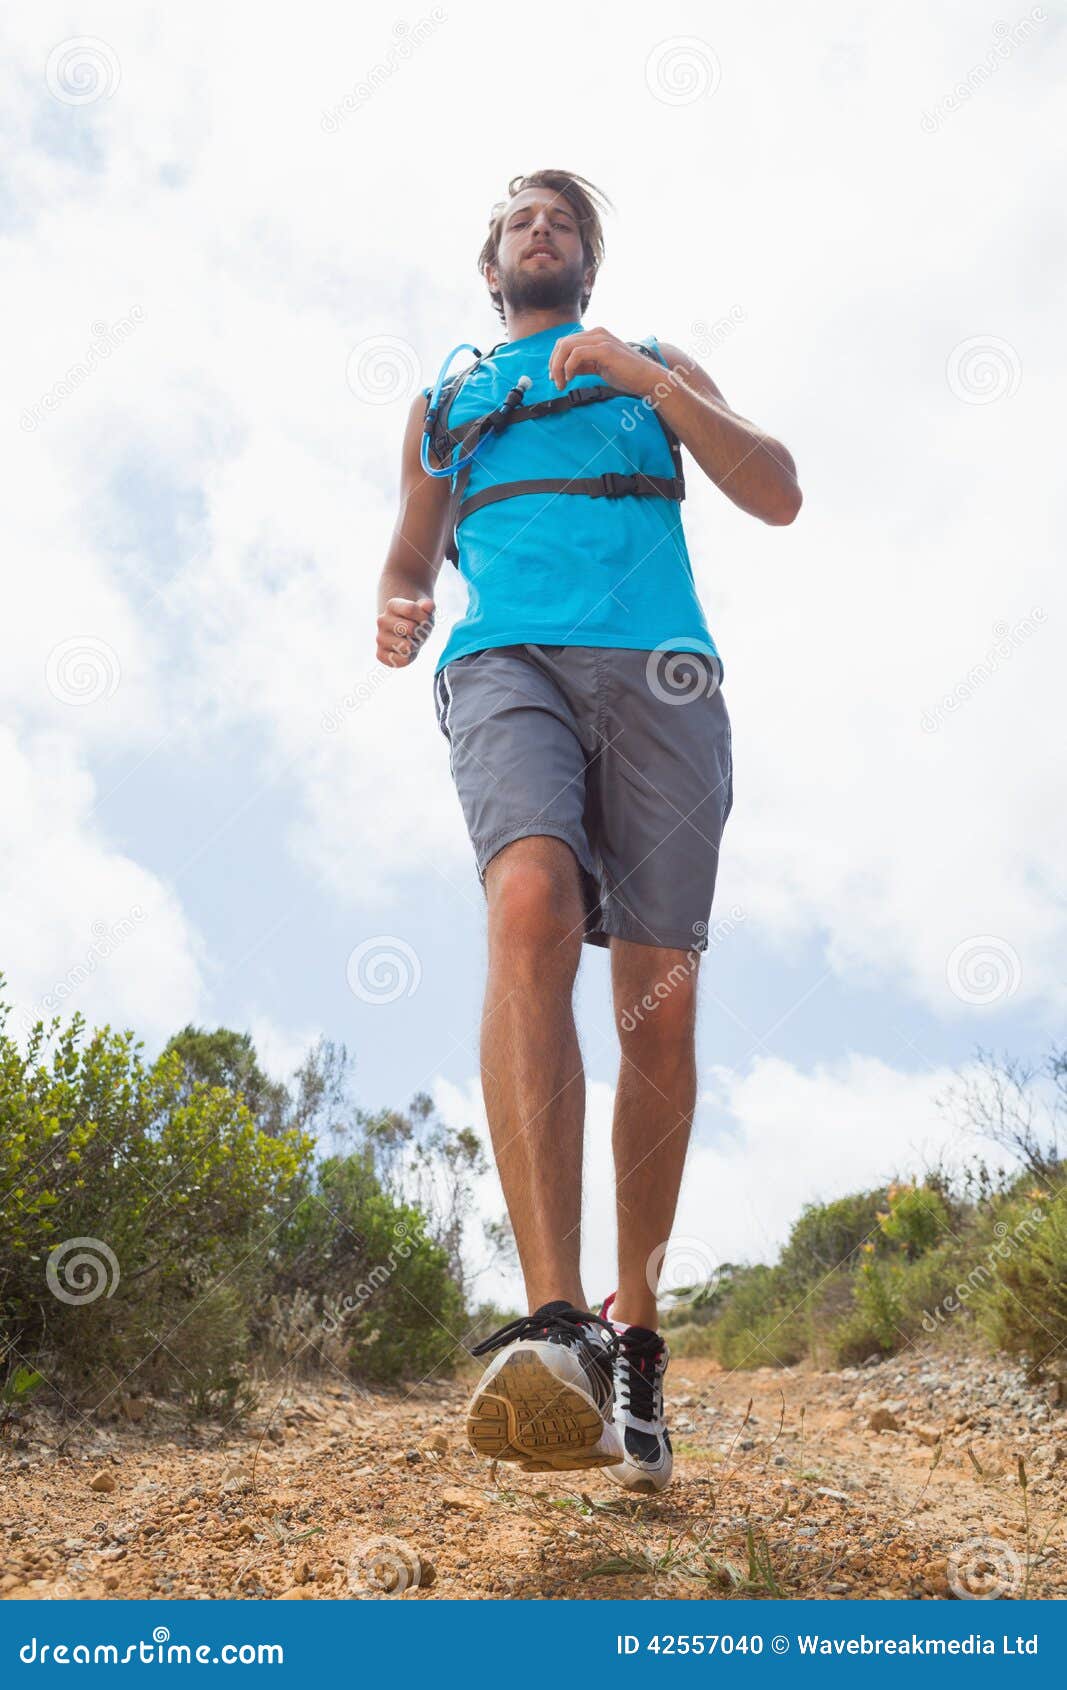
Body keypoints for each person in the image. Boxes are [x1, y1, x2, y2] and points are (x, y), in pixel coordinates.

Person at [376, 169, 801, 1492]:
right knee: (528, 907)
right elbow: (408, 556)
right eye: (518, 216)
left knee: (657, 1011)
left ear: (588, 265)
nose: (539, 224)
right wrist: (397, 606)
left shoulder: (650, 364)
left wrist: (645, 375)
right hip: (509, 665)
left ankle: (636, 1327)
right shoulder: (446, 408)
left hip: (664, 677)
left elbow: (777, 489)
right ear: (492, 265)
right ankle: (556, 1323)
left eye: (561, 216)